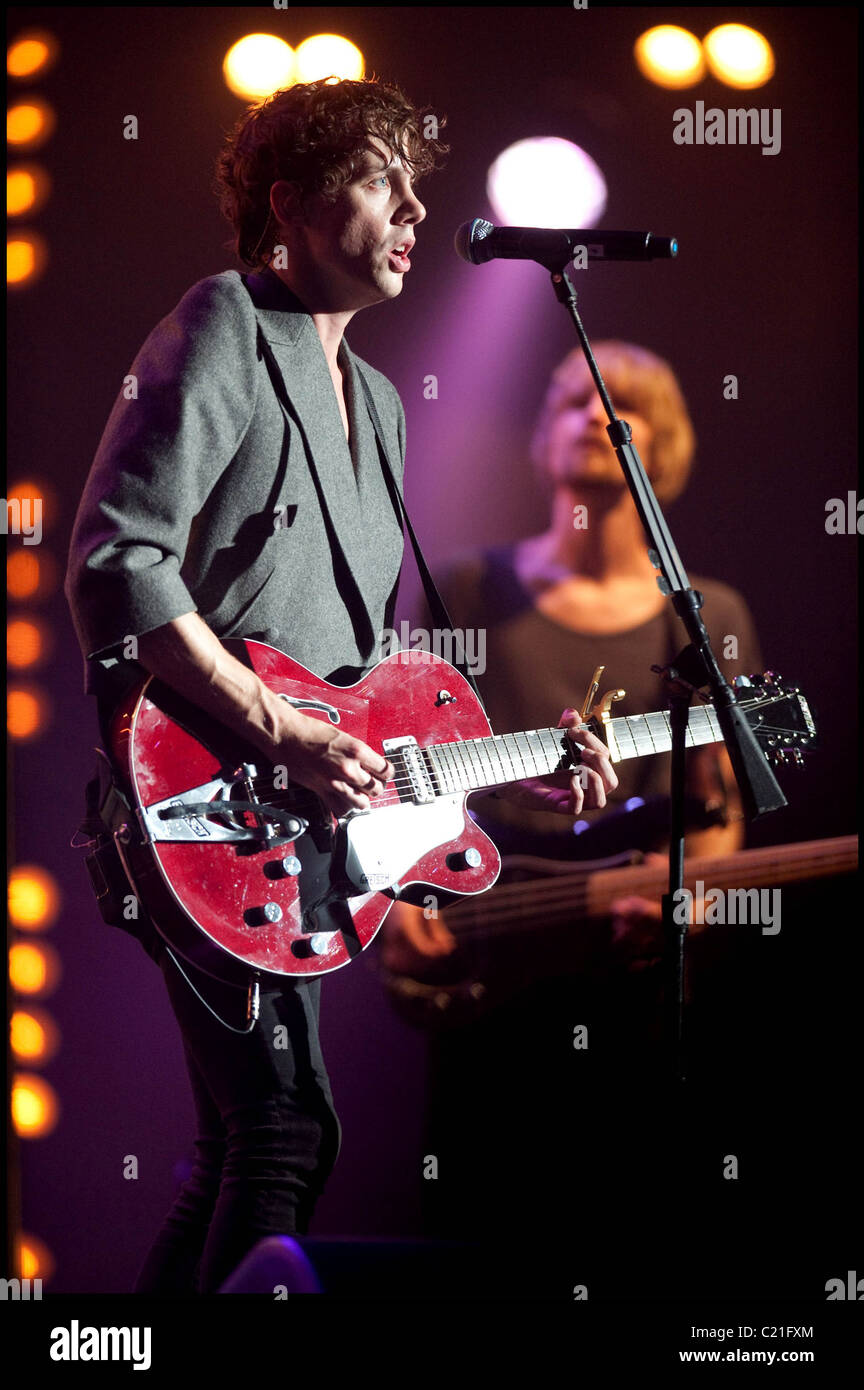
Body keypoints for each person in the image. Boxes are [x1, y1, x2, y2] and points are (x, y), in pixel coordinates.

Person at [63, 77, 618, 1295]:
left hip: (294, 823)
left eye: (419, 184)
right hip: (201, 800)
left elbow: (362, 692)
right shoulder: (222, 324)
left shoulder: (376, 399)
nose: (419, 208)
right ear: (293, 205)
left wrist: (531, 770)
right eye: (383, 181)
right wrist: (280, 731)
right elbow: (117, 562)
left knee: (238, 1150)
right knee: (285, 1134)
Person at [379, 342, 764, 1271]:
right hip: (483, 954)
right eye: (572, 403)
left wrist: (691, 896)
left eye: (623, 407)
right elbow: (398, 762)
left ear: (662, 448)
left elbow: (716, 812)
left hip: (630, 979)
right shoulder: (461, 591)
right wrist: (395, 897)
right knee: (475, 1233)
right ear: (541, 439)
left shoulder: (707, 615)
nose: (595, 415)